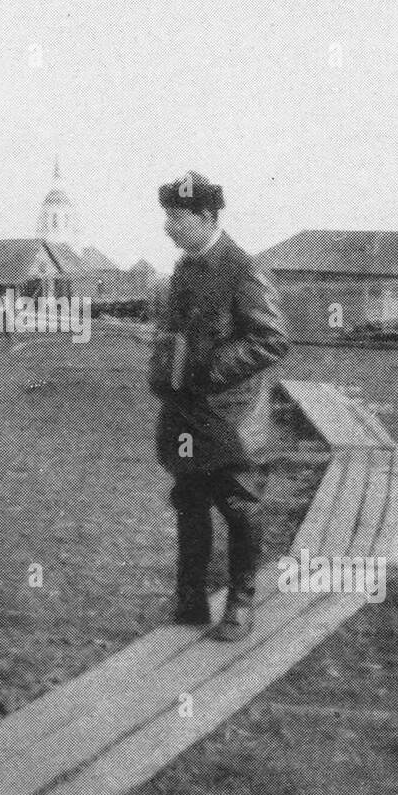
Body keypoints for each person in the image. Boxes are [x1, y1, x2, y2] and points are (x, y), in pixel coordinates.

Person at [149, 172, 289, 641]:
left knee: (238, 505)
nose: (168, 226)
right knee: (189, 501)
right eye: (167, 216)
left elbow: (271, 340)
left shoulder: (242, 269)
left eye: (177, 217)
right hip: (185, 413)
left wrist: (209, 368)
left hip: (229, 417)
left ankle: (241, 603)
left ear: (206, 217)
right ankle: (190, 599)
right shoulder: (184, 269)